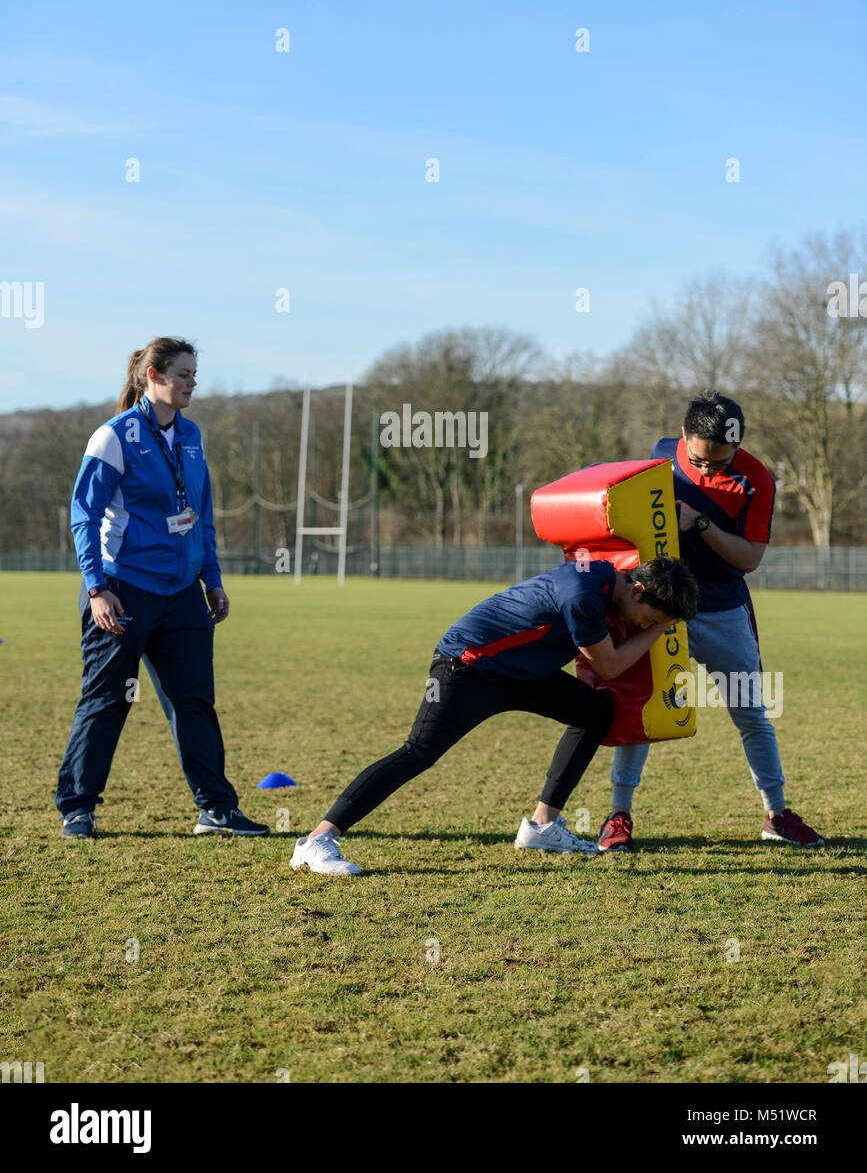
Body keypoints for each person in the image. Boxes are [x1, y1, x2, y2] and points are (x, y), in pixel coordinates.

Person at [290, 555, 698, 875]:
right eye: (650, 617)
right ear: (638, 588)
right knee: (418, 752)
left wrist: (660, 618)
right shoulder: (585, 593)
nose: (644, 625)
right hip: (467, 666)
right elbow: (609, 666)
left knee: (594, 711)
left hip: (519, 672)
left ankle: (542, 827)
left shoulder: (608, 582)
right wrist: (659, 630)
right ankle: (317, 840)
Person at [56, 336, 268, 840]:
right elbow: (83, 516)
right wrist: (96, 588)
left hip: (182, 595)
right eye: (183, 375)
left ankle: (216, 809)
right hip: (123, 590)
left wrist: (212, 580)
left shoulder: (192, 435)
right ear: (153, 376)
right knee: (107, 700)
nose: (192, 383)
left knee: (194, 701)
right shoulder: (114, 437)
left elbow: (202, 515)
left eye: (195, 375)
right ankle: (78, 809)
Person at [599, 390, 825, 852]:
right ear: (684, 435)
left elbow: (750, 559)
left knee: (751, 713)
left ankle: (777, 814)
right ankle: (619, 814)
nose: (708, 471)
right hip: (661, 604)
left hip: (722, 607)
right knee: (643, 704)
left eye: (722, 462)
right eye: (701, 461)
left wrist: (700, 524)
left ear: (738, 446)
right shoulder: (661, 455)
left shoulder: (757, 479)